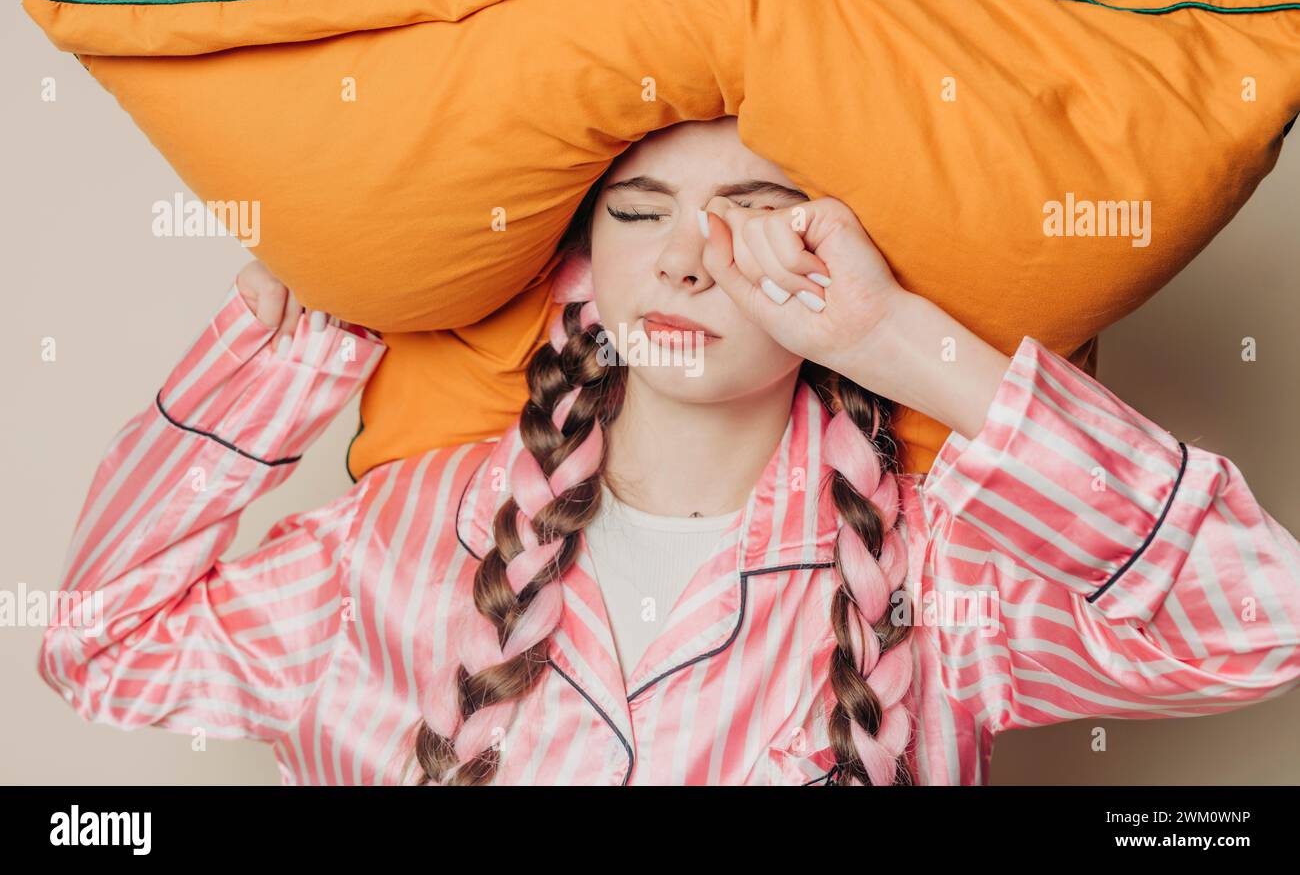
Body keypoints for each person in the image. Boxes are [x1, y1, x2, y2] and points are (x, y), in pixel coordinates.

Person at [39, 117, 1300, 786]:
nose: (689, 256)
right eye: (642, 215)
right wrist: (296, 352)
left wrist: (901, 341)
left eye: (753, 220)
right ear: (584, 275)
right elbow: (100, 644)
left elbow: (1259, 620)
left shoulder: (940, 569)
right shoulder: (393, 541)